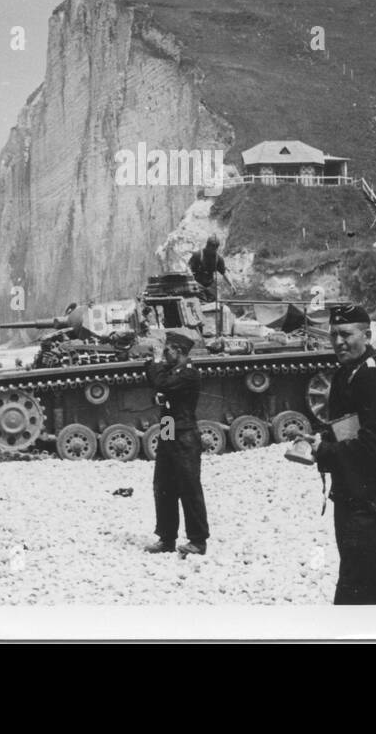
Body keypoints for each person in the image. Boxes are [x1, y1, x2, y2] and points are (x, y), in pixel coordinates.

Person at [314, 304, 376, 604]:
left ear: (367, 335)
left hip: (374, 507)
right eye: (333, 336)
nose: (339, 342)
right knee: (372, 595)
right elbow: (347, 425)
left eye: (346, 334)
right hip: (355, 500)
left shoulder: (373, 377)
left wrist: (326, 452)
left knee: (360, 595)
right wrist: (321, 438)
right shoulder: (348, 373)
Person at [144, 328, 210, 556]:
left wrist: (155, 361)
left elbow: (162, 383)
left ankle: (198, 540)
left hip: (185, 433)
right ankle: (166, 537)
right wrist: (156, 365)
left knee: (189, 488)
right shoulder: (174, 370)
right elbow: (157, 379)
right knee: (164, 485)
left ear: (179, 351)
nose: (164, 354)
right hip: (170, 428)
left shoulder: (189, 374)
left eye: (168, 350)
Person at [187, 235, 235, 302]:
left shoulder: (218, 259)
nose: (213, 250)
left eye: (215, 248)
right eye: (211, 247)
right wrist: (190, 276)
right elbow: (188, 268)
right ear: (207, 245)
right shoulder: (198, 255)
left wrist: (231, 285)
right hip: (197, 283)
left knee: (213, 302)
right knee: (201, 301)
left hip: (210, 284)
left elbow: (224, 272)